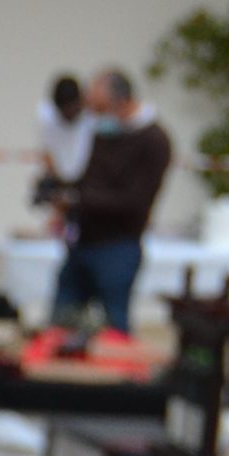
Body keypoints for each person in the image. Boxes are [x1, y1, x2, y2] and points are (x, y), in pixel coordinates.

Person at [53, 67, 173, 334]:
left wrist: (78, 201)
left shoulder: (154, 140)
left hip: (118, 246)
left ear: (121, 102)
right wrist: (62, 190)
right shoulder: (103, 133)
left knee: (113, 329)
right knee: (61, 323)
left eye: (101, 108)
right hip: (82, 243)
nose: (96, 116)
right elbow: (88, 179)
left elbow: (134, 202)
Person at [34, 72, 93, 205]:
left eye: (72, 111)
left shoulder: (92, 117)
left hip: (89, 182)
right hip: (61, 180)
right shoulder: (46, 117)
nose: (69, 117)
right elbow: (47, 151)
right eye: (64, 113)